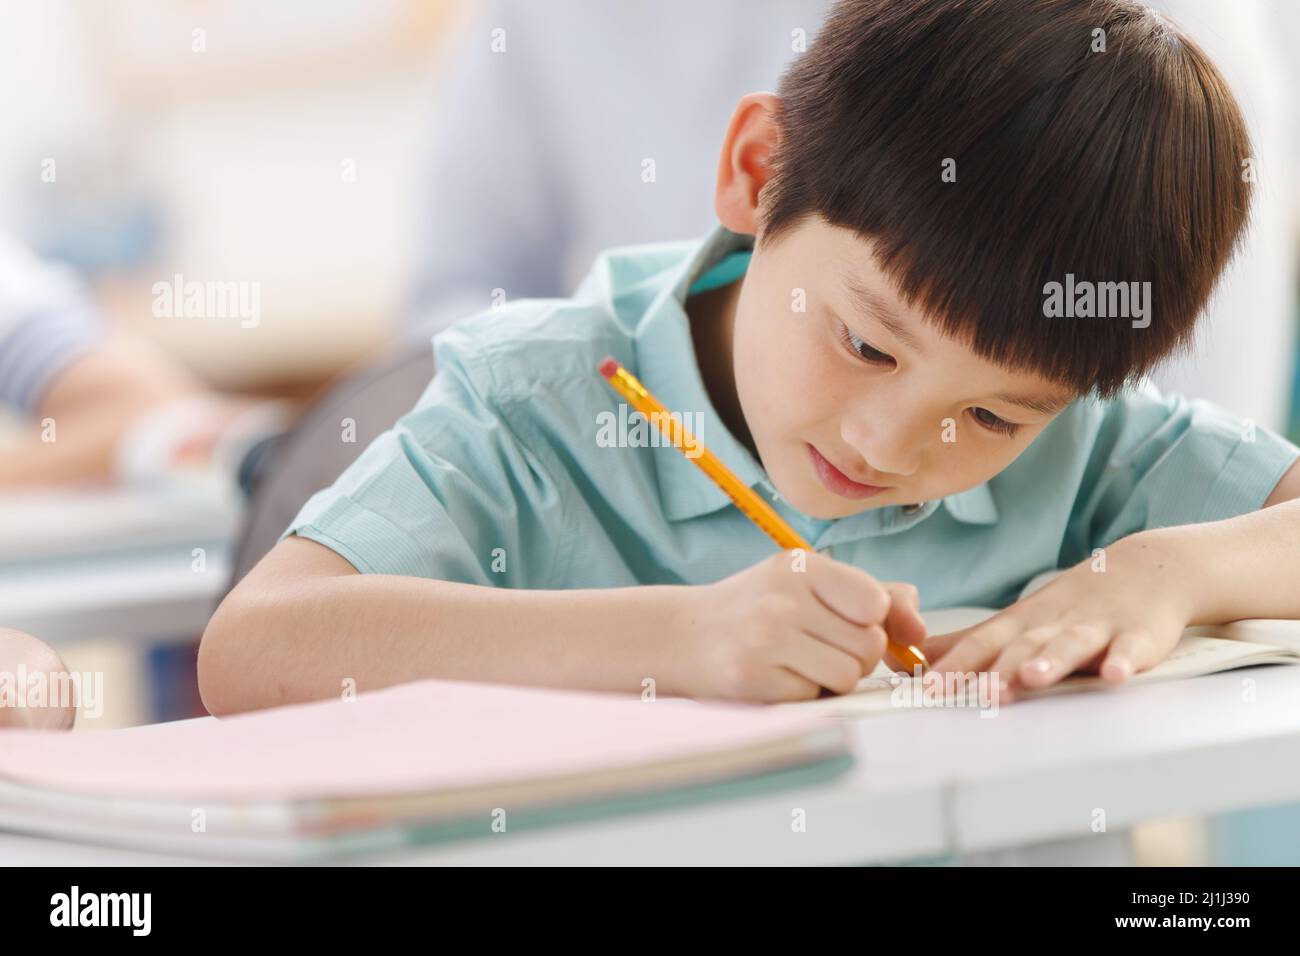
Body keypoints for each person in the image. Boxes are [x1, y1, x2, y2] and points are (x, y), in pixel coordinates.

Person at [200, 0, 1300, 716]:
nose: (888, 441)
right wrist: (674, 637)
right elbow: (253, 651)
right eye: (865, 342)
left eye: (997, 419)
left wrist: (1171, 569)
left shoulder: (1088, 445)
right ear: (756, 167)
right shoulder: (531, 401)